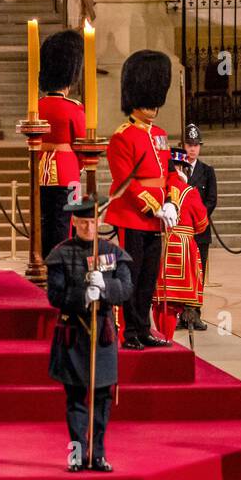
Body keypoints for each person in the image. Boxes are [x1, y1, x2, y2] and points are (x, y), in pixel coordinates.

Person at [45, 196, 133, 472]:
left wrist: (105, 287)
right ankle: (76, 454)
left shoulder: (113, 252)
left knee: (102, 399)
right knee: (75, 398)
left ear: (99, 223)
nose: (88, 228)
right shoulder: (61, 253)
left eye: (93, 222)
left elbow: (126, 288)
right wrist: (84, 293)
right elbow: (54, 295)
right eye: (83, 223)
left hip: (103, 334)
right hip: (73, 333)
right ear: (74, 223)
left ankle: (98, 453)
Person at [106, 50, 174, 350]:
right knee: (130, 276)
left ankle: (144, 328)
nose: (154, 107)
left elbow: (169, 173)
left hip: (156, 219)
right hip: (134, 217)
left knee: (149, 277)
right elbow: (125, 182)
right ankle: (130, 332)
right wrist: (155, 206)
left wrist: (171, 201)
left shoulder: (159, 134)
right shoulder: (122, 136)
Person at [37, 29, 86, 256]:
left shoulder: (38, 106)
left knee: (45, 220)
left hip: (41, 170)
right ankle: (64, 261)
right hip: (69, 172)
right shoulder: (73, 108)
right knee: (67, 221)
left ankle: (45, 260)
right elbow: (82, 143)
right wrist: (82, 165)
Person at [154, 148, 208, 341]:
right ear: (183, 169)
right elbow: (202, 223)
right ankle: (167, 341)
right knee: (174, 303)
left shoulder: (158, 189)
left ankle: (160, 337)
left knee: (159, 301)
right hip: (182, 248)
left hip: (158, 244)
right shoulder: (190, 192)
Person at [180, 123, 215, 331]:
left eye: (196, 145)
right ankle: (180, 314)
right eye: (189, 144)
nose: (192, 149)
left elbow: (211, 201)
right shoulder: (176, 169)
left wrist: (196, 220)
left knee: (198, 274)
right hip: (181, 233)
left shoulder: (207, 172)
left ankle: (195, 314)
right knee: (182, 273)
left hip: (200, 232)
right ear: (183, 146)